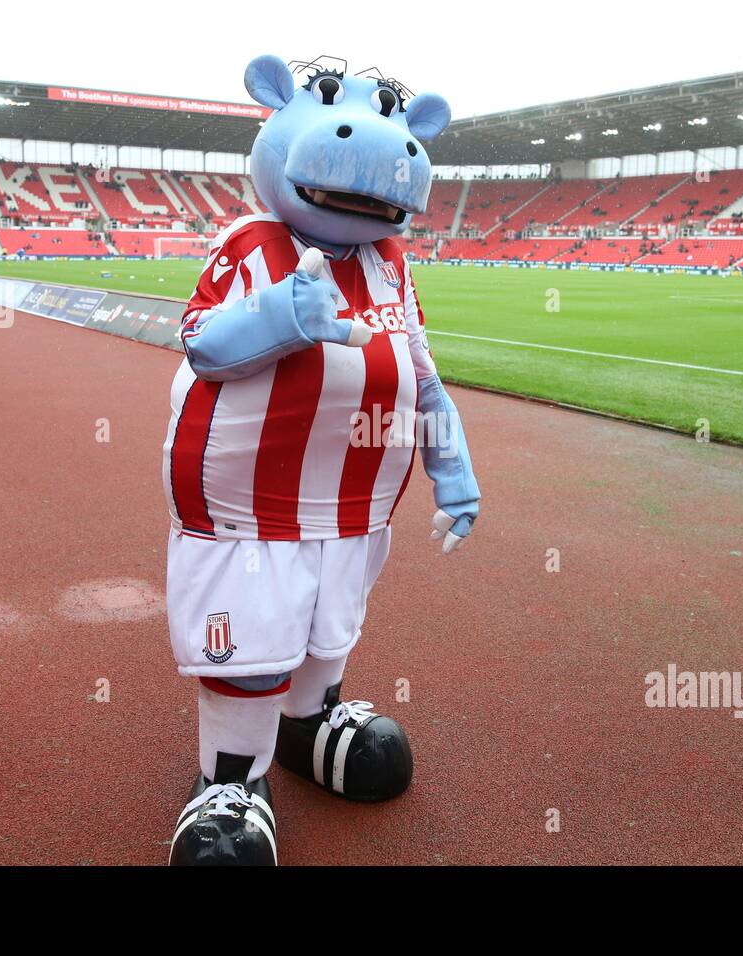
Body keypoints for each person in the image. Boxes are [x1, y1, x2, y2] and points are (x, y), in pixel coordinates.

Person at [163, 56, 476, 867]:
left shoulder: (390, 262)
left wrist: (454, 470)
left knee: (327, 625)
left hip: (355, 508)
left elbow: (422, 373)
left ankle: (308, 720)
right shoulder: (254, 244)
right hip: (251, 511)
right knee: (253, 640)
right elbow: (202, 345)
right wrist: (283, 316)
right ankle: (231, 778)